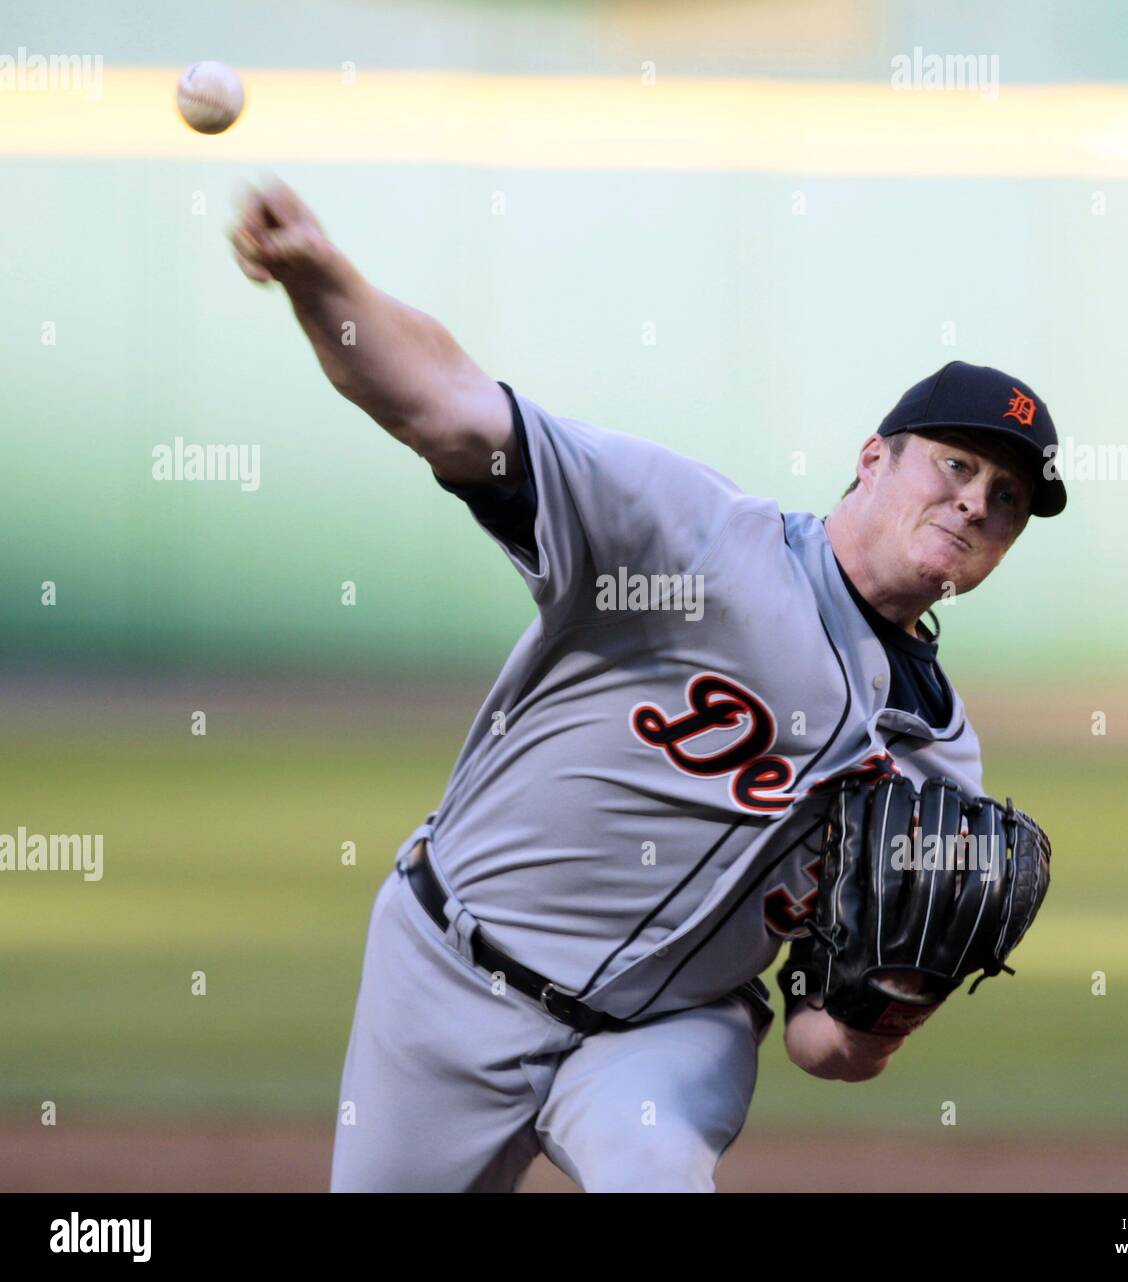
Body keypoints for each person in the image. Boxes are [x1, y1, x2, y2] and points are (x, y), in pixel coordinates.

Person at [229, 181, 1066, 1193]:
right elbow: (448, 410)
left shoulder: (942, 771)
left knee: (655, 1171)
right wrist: (322, 276)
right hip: (449, 975)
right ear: (872, 459)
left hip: (666, 1034)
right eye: (955, 464)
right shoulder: (694, 538)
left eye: (1008, 497)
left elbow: (822, 1047)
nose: (975, 501)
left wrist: (890, 1001)